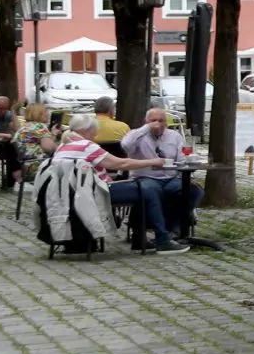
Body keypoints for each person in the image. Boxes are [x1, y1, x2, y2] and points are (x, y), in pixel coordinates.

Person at [53, 113, 185, 252]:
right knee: (147, 190)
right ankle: (161, 240)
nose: (96, 135)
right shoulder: (86, 146)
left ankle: (140, 239)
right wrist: (153, 162)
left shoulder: (62, 146)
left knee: (144, 189)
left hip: (71, 193)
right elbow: (121, 163)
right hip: (96, 192)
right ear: (85, 131)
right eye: (94, 132)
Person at [123, 106, 204, 243]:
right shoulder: (137, 135)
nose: (158, 124)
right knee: (151, 191)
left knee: (194, 191)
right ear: (146, 121)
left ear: (166, 123)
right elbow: (126, 145)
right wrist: (147, 128)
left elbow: (181, 160)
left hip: (170, 178)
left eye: (161, 120)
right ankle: (158, 234)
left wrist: (188, 165)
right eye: (154, 120)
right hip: (145, 177)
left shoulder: (174, 136)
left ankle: (172, 227)